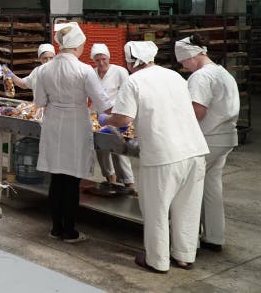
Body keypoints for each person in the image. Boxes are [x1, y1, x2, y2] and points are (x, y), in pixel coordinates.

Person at [104, 41, 209, 273]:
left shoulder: (134, 81)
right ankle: (184, 256)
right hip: (194, 150)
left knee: (156, 209)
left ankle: (158, 261)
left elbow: (123, 119)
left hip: (163, 155)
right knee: (187, 208)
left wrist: (105, 120)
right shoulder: (175, 76)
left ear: (132, 61)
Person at [33, 23, 112, 243]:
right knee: (71, 180)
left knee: (56, 178)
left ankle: (56, 228)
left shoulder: (44, 69)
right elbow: (103, 103)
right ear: (77, 45)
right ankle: (70, 231)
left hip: (53, 124)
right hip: (76, 124)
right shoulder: (84, 70)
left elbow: (39, 102)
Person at [175, 35, 240, 253]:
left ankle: (186, 244)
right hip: (227, 136)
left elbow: (197, 111)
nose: (183, 67)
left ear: (192, 55)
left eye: (183, 62)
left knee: (188, 189)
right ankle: (214, 237)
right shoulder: (223, 73)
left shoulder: (201, 77)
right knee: (212, 187)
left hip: (208, 138)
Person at [90, 43, 134, 195]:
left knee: (119, 151)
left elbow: (128, 94)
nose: (101, 63)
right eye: (97, 60)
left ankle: (129, 184)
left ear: (108, 58)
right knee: (101, 150)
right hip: (97, 117)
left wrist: (125, 116)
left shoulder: (120, 71)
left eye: (103, 59)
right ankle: (110, 180)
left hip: (117, 117)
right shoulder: (92, 73)